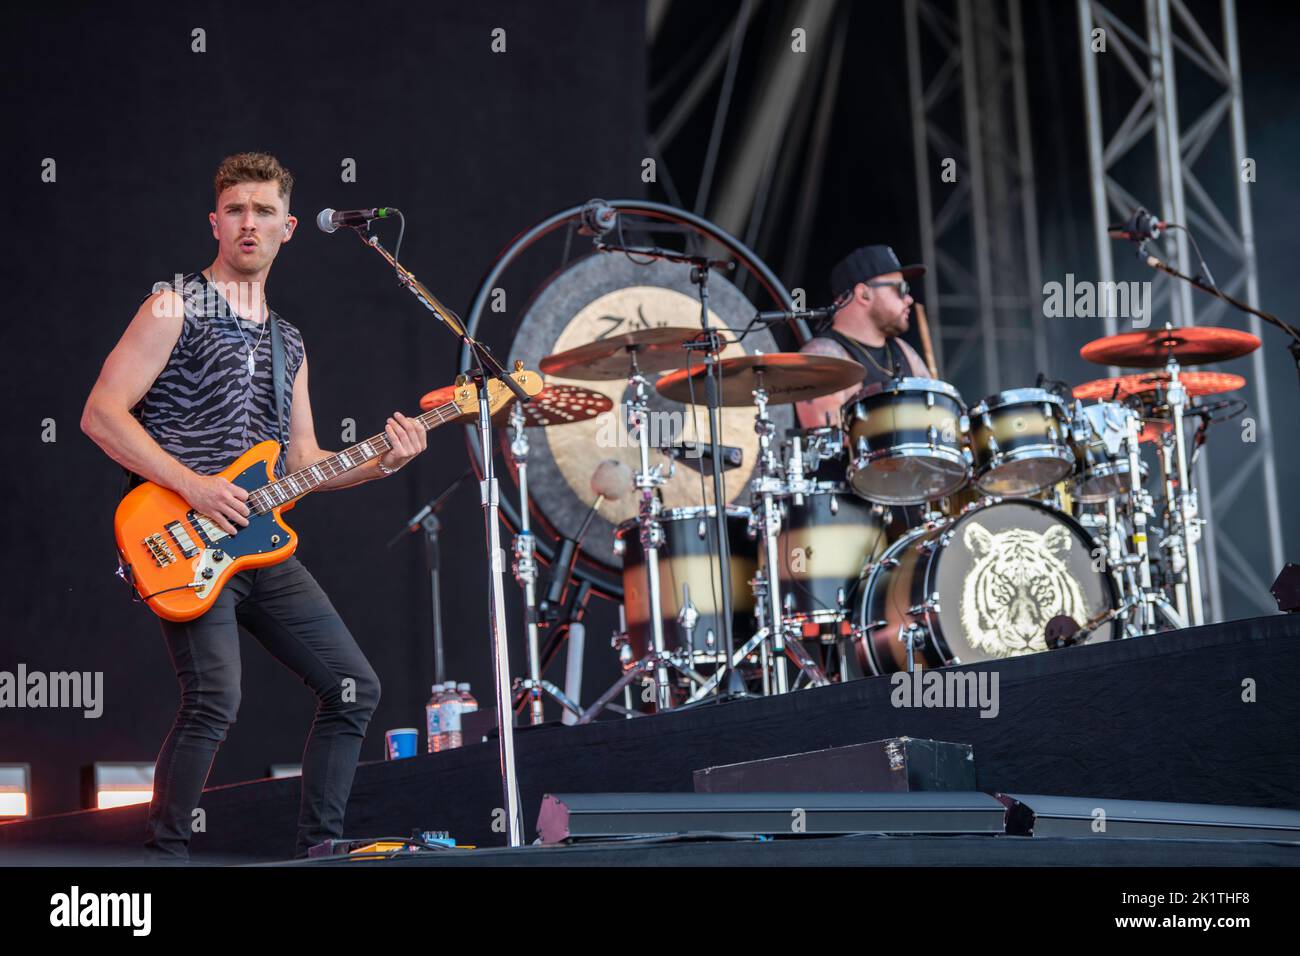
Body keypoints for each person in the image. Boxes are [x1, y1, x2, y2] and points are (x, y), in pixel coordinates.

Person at [80, 152, 429, 861]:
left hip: (257, 541)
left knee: (354, 687)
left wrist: (381, 463)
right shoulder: (174, 304)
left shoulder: (289, 341)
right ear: (214, 221)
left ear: (289, 227)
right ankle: (166, 857)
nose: (249, 223)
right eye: (236, 209)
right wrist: (194, 485)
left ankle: (321, 847)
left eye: (263, 211)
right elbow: (101, 416)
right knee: (215, 701)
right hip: (179, 533)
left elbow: (301, 466)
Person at [795, 244, 930, 430]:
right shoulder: (824, 355)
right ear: (863, 294)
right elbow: (827, 449)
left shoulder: (904, 352)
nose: (909, 299)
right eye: (901, 289)